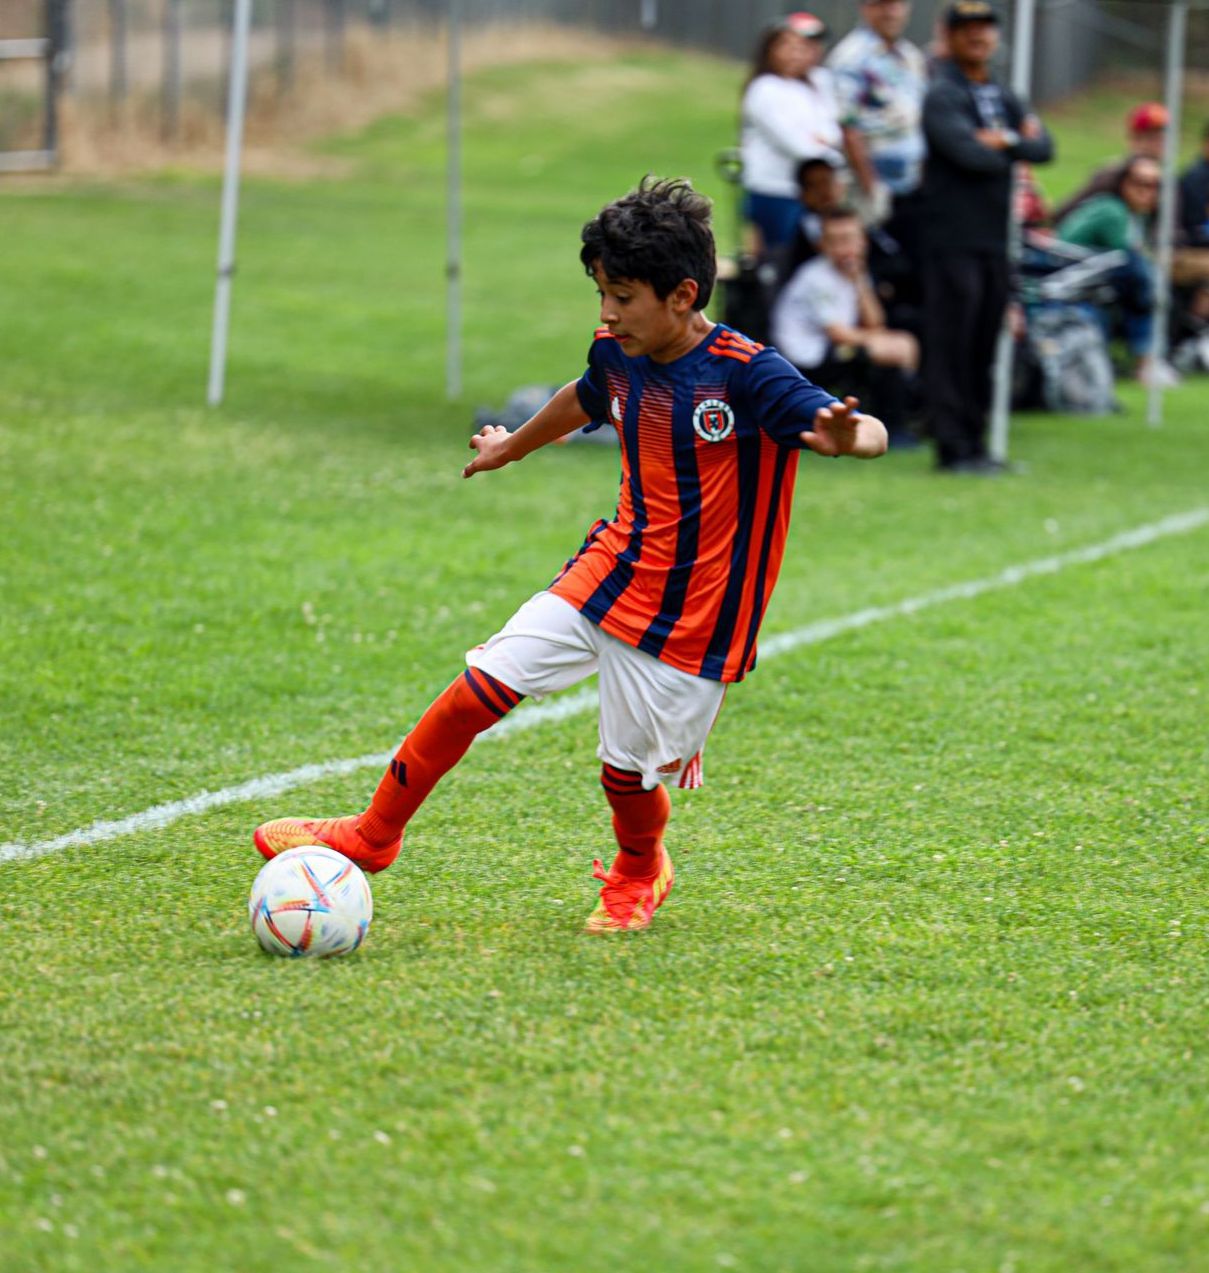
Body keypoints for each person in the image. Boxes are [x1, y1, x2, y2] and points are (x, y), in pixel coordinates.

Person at [252, 177, 887, 935]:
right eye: (601, 293)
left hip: (693, 619)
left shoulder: (747, 373)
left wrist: (850, 435)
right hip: (611, 569)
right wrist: (513, 446)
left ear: (682, 295)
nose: (606, 312)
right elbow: (586, 395)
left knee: (626, 776)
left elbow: (860, 431)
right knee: (477, 689)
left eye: (622, 296)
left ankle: (641, 868)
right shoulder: (618, 352)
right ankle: (373, 832)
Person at [918, 1, 1053, 473]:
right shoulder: (943, 93)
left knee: (983, 343)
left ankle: (975, 444)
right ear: (950, 37)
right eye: (967, 29)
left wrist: (1005, 141)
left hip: (995, 240)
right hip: (952, 239)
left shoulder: (1001, 92)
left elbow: (1044, 147)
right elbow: (967, 153)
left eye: (985, 28)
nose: (978, 37)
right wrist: (1013, 144)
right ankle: (952, 445)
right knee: (953, 342)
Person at [772, 207, 919, 446]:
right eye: (836, 241)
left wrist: (860, 281)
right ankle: (896, 425)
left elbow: (875, 321)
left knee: (899, 343)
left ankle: (905, 413)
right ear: (823, 245)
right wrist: (880, 339)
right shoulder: (815, 277)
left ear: (863, 242)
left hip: (834, 346)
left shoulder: (855, 272)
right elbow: (838, 334)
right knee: (887, 350)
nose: (844, 249)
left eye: (850, 239)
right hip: (808, 357)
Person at [1057, 155, 1178, 386]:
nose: (1148, 192)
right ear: (1122, 183)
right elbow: (1126, 258)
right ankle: (1147, 361)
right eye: (1140, 183)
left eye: (1156, 186)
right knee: (1145, 283)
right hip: (1070, 279)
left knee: (1147, 280)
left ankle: (1148, 358)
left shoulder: (1134, 215)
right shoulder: (1112, 210)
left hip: (1097, 278)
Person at [739, 13, 845, 253]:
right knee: (778, 255)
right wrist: (821, 144)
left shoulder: (817, 82)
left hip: (810, 192)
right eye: (788, 46)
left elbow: (833, 131)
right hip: (775, 188)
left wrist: (821, 141)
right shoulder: (764, 89)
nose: (797, 54)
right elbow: (797, 144)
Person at [827, 0, 928, 234]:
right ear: (865, 8)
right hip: (870, 188)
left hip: (911, 185)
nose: (891, 12)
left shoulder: (909, 55)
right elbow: (847, 127)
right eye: (881, 5)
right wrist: (871, 188)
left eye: (897, 4)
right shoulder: (851, 57)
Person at [1051, 102, 1168, 227]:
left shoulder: (1167, 177)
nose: (1159, 144)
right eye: (1152, 138)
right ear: (1133, 139)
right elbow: (1071, 208)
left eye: (1162, 137)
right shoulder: (1114, 172)